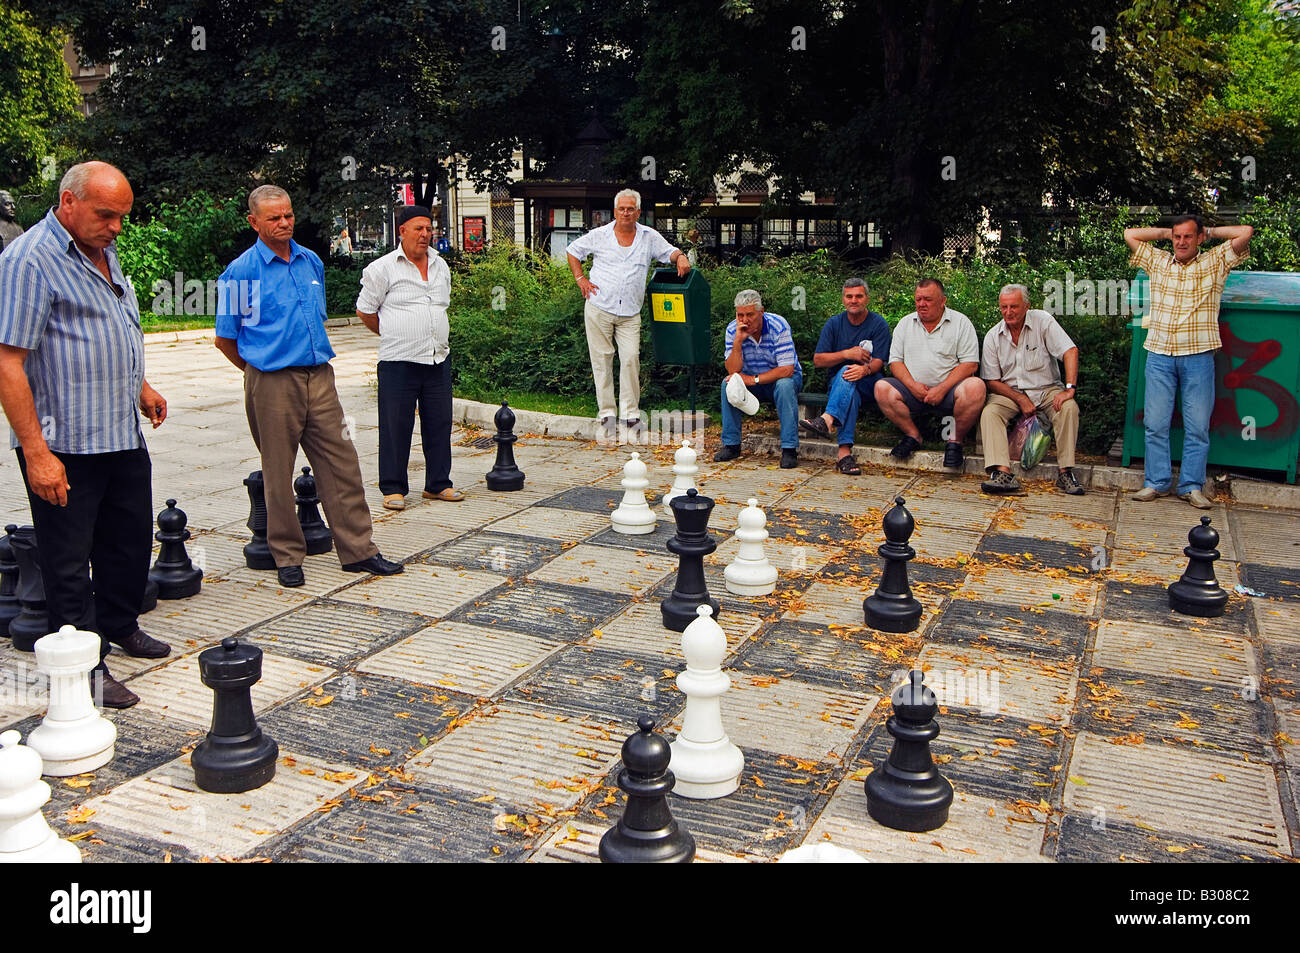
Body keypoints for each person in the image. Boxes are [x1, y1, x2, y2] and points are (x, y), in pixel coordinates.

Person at [0, 161, 171, 709]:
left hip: (119, 430)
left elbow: (109, 326)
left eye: (122, 216)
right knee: (68, 559)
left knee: (126, 542)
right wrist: (36, 453)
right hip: (64, 443)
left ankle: (120, 624)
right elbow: (8, 362)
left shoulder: (100, 248)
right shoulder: (30, 260)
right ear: (68, 202)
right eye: (106, 215)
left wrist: (140, 384)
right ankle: (84, 666)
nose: (117, 226)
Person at [215, 185, 403, 588]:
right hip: (271, 381)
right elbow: (226, 339)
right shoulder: (241, 272)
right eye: (273, 218)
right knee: (277, 471)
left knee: (343, 462)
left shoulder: (309, 261)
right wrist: (258, 374)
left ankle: (358, 551)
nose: (284, 223)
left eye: (288, 214)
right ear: (254, 222)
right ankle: (286, 555)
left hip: (320, 377)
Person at [1124, 215, 1252, 509]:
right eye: (1177, 237)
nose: (1181, 242)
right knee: (1155, 424)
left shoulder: (1215, 262)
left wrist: (1211, 231)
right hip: (1159, 354)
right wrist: (1165, 231)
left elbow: (1245, 231)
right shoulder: (1158, 262)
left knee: (1197, 427)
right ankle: (1155, 483)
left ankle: (1191, 486)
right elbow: (1130, 234)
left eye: (1188, 237)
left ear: (1199, 239)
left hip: (1198, 356)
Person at [355, 205, 462, 511]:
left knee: (439, 423)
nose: (426, 234)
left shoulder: (441, 266)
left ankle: (438, 484)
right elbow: (365, 311)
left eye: (429, 229)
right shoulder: (382, 269)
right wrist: (394, 332)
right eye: (419, 229)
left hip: (437, 358)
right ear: (402, 231)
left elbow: (441, 306)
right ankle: (393, 487)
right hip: (398, 361)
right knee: (395, 425)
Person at [565, 188, 690, 437]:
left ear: (638, 212)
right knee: (602, 360)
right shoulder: (600, 235)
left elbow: (669, 251)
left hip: (631, 312)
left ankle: (631, 414)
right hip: (600, 306)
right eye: (621, 208)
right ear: (615, 211)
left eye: (630, 209)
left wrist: (681, 257)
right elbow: (573, 251)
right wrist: (580, 278)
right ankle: (607, 414)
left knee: (631, 358)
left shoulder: (648, 236)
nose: (625, 213)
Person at [978, 285, 1084, 495]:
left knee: (1069, 408)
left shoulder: (1042, 321)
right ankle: (1002, 473)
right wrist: (1019, 398)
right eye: (1004, 307)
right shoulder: (993, 336)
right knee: (990, 412)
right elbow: (991, 380)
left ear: (1026, 306)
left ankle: (1066, 472)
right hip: (1010, 392)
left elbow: (1070, 351)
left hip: (1046, 389)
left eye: (1014, 307)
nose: (1008, 312)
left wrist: (1069, 389)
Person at [874, 278, 985, 469]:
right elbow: (895, 362)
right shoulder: (905, 323)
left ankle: (955, 441)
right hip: (914, 390)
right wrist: (913, 386)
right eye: (918, 299)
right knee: (881, 387)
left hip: (950, 391)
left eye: (928, 299)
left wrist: (941, 389)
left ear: (943, 301)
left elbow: (970, 364)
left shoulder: (961, 323)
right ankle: (913, 435)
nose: (922, 304)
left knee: (976, 387)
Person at [799, 277, 891, 475]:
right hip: (840, 385)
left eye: (858, 296)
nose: (854, 300)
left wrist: (864, 370)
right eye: (849, 296)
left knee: (848, 373)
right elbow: (818, 360)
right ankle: (844, 454)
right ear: (843, 300)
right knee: (848, 380)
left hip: (870, 383)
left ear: (867, 299)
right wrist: (847, 354)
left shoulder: (878, 324)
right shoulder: (834, 324)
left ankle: (827, 418)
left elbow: (879, 361)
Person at [715, 289, 802, 469]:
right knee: (727, 383)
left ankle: (789, 449)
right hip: (751, 381)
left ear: (761, 312)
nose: (744, 320)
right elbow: (732, 370)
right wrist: (738, 342)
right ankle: (731, 445)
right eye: (740, 315)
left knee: (785, 385)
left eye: (750, 315)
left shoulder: (779, 325)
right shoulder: (733, 329)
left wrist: (752, 380)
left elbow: (786, 369)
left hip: (780, 380)